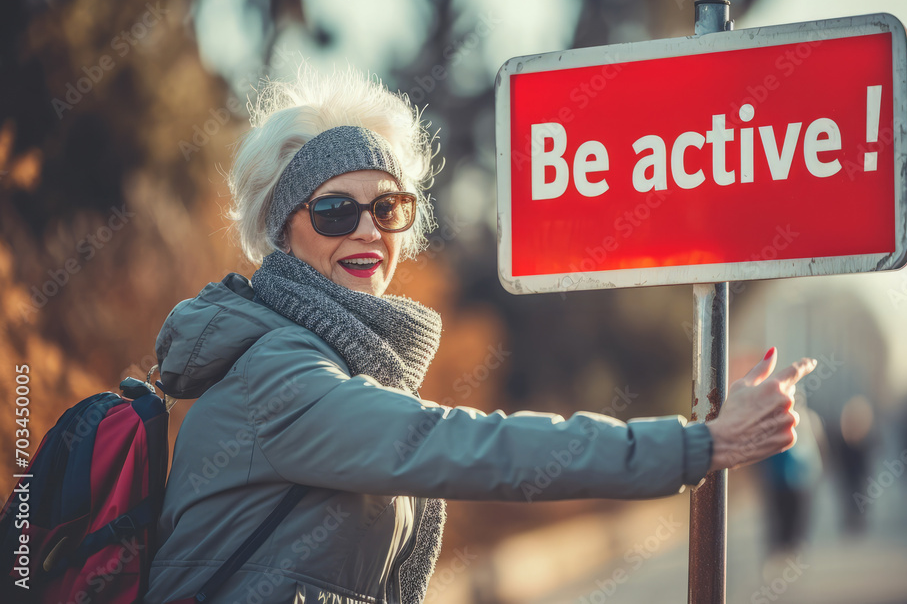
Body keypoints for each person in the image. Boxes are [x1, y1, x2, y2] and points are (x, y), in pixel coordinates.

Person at [143, 63, 816, 604]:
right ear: (282, 229)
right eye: (334, 209)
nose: (369, 229)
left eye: (388, 205)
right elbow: (461, 444)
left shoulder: (327, 361)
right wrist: (699, 443)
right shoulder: (281, 373)